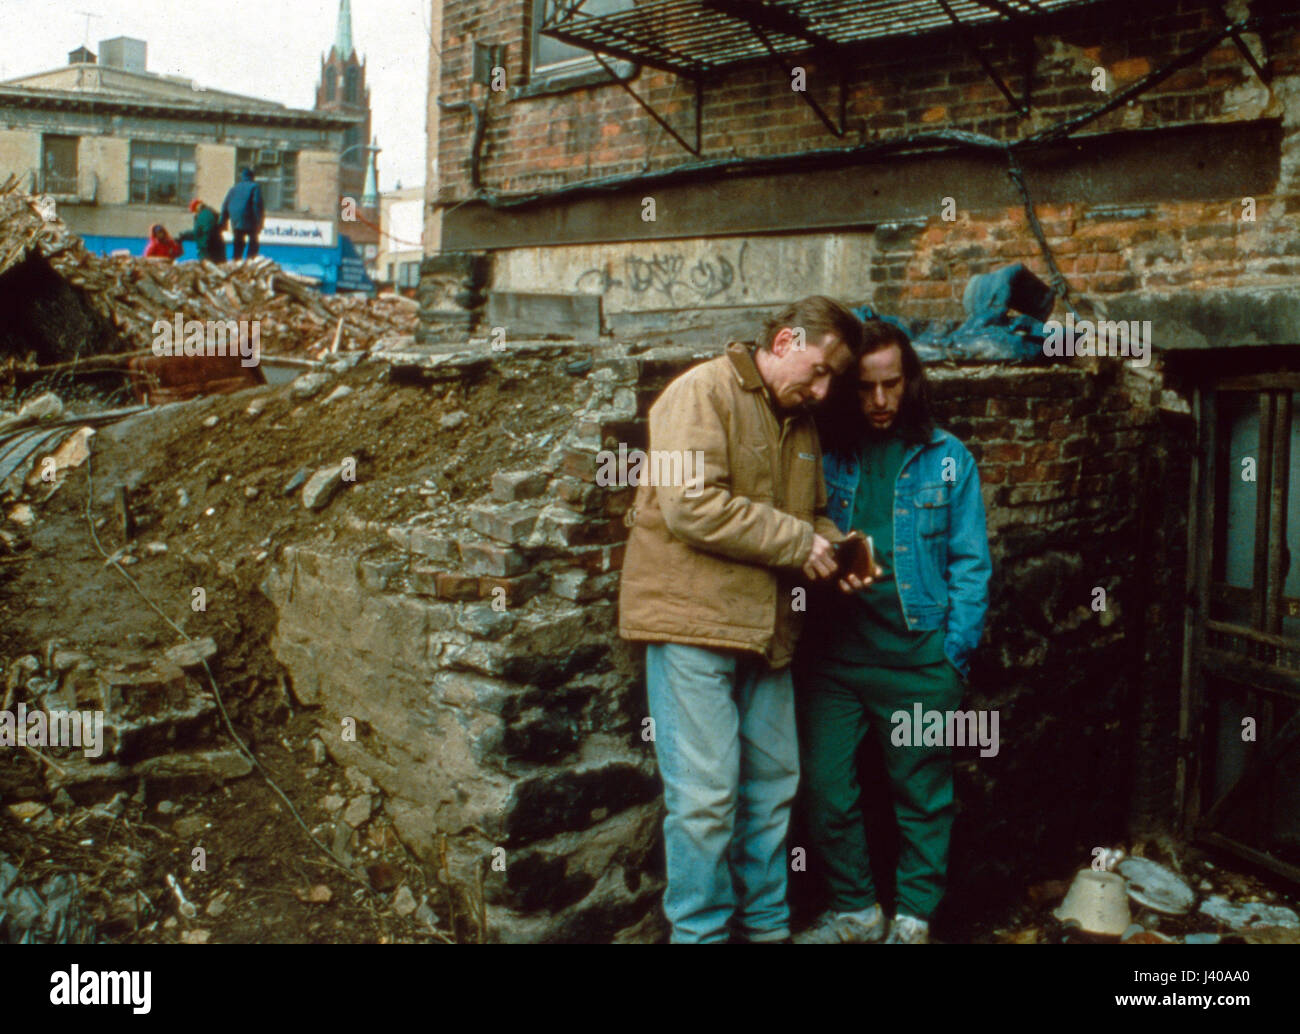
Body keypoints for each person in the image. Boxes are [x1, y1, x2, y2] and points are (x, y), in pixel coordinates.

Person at [617, 296, 867, 944]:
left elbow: (809, 517)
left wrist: (837, 550)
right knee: (704, 803)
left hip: (769, 634)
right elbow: (690, 505)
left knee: (773, 792)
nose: (822, 391)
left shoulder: (800, 423)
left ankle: (766, 931)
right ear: (784, 342)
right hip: (693, 629)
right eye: (818, 371)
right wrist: (798, 542)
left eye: (833, 379)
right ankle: (699, 936)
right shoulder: (698, 392)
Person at [792, 318, 992, 945]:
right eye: (865, 387)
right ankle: (856, 911)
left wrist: (953, 657)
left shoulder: (948, 458)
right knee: (825, 791)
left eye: (892, 384)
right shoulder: (824, 452)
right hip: (834, 663)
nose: (880, 400)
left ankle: (912, 919)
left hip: (919, 662)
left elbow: (971, 563)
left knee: (923, 797)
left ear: (911, 381)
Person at [220, 167, 265, 260]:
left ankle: (236, 260)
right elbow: (257, 205)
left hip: (235, 220)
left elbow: (225, 205)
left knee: (238, 242)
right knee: (253, 241)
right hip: (249, 219)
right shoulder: (255, 187)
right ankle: (250, 260)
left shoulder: (233, 188)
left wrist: (223, 222)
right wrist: (259, 223)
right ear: (252, 177)